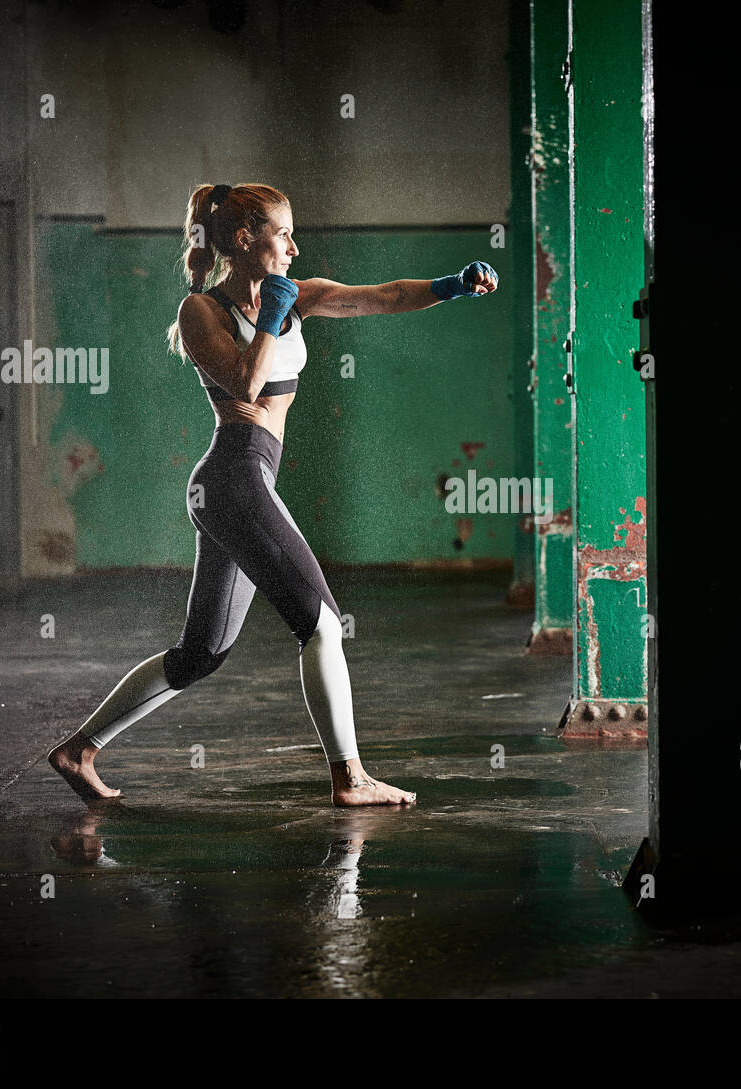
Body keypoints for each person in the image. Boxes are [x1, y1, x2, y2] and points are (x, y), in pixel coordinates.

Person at [49, 182, 498, 806]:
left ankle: (78, 751)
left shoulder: (299, 296)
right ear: (243, 240)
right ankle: (350, 778)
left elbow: (386, 296)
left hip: (245, 482)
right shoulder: (200, 312)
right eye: (282, 234)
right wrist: (268, 314)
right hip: (232, 478)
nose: (293, 246)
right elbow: (243, 381)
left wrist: (450, 286)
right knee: (321, 624)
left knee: (200, 656)